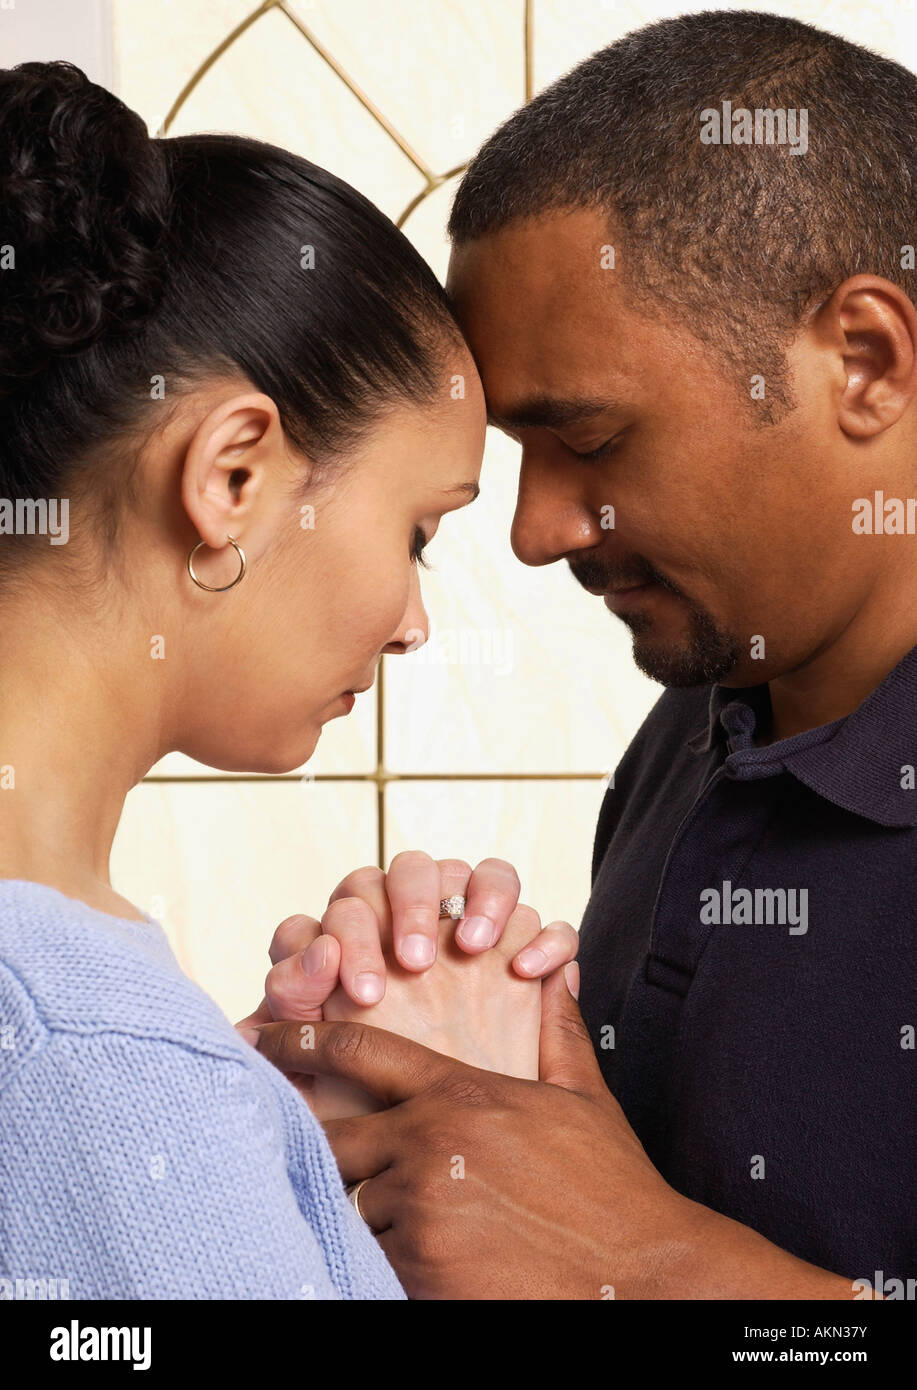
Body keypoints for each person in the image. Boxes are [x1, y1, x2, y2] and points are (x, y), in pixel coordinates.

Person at [251, 11, 917, 1299]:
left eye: (593, 440)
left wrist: (650, 1262)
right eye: (518, 452)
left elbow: (627, 1251)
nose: (536, 529)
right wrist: (463, 1090)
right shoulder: (695, 730)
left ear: (864, 362)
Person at [0, 60, 576, 1300]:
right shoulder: (93, 1064)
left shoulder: (103, 1057)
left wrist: (271, 1148)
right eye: (418, 532)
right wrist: (524, 1181)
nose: (417, 622)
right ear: (232, 479)